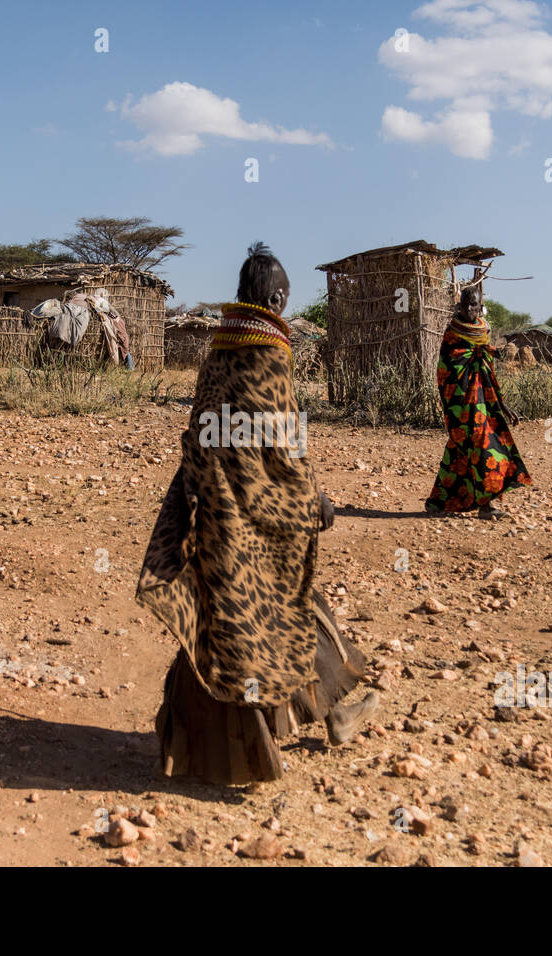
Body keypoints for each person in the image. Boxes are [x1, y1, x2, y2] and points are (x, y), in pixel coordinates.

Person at [137, 242, 379, 786]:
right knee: (282, 613)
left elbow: (209, 434)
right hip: (254, 518)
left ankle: (190, 740)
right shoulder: (269, 354)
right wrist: (310, 502)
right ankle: (309, 725)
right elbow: (282, 452)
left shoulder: (217, 353)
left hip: (211, 513)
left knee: (222, 627)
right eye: (287, 298)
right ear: (274, 297)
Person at [425, 288, 532, 519]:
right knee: (473, 447)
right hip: (460, 402)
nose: (471, 310)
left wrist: (502, 405)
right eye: (467, 305)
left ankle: (442, 502)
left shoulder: (481, 331)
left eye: (475, 305)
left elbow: (486, 370)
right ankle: (480, 506)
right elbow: (446, 371)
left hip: (482, 401)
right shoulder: (453, 334)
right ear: (459, 306)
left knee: (474, 448)